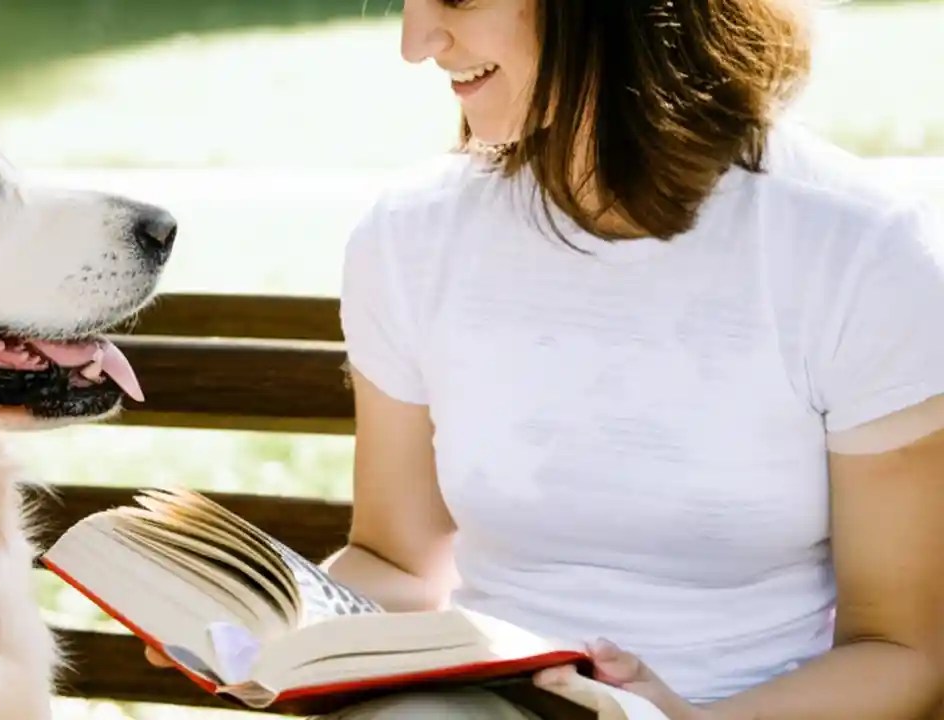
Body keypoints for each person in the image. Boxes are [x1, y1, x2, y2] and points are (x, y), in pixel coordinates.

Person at [149, 1, 944, 717]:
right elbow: (398, 562)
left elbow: (905, 654)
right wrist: (258, 632)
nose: (415, 42)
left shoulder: (854, 249)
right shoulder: (411, 238)